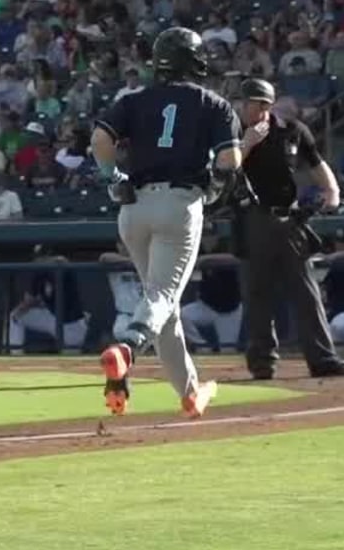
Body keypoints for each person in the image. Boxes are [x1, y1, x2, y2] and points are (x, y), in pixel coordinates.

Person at [90, 26, 242, 418]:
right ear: (193, 61)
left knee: (165, 305)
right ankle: (126, 346)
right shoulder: (212, 102)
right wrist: (216, 188)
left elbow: (100, 142)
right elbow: (229, 160)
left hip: (133, 207)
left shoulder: (134, 99)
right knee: (160, 297)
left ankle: (190, 394)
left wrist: (112, 178)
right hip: (178, 204)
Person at [237, 77, 344, 380]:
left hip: (289, 218)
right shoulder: (233, 132)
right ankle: (262, 363)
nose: (258, 111)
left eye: (263, 105)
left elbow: (315, 162)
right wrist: (247, 143)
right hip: (253, 217)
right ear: (242, 104)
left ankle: (323, 359)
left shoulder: (290, 130)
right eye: (253, 104)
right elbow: (223, 171)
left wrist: (331, 190)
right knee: (258, 294)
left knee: (305, 290)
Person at [7, 245, 87, 355]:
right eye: (37, 258)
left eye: (43, 258)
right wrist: (23, 308)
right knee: (15, 316)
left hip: (72, 326)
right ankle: (16, 356)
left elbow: (64, 262)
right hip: (53, 319)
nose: (38, 261)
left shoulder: (63, 268)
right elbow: (30, 300)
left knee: (69, 363)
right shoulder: (39, 274)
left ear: (51, 256)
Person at [182, 236, 243, 353]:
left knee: (228, 350)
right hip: (207, 306)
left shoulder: (226, 242)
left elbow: (237, 259)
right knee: (181, 315)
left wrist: (204, 261)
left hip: (230, 309)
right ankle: (201, 346)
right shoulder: (196, 245)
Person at [100, 241, 145, 344]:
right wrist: (134, 262)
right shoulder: (115, 263)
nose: (127, 246)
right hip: (125, 316)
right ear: (118, 246)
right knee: (119, 333)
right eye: (123, 244)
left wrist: (141, 262)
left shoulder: (148, 259)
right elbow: (104, 257)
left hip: (146, 315)